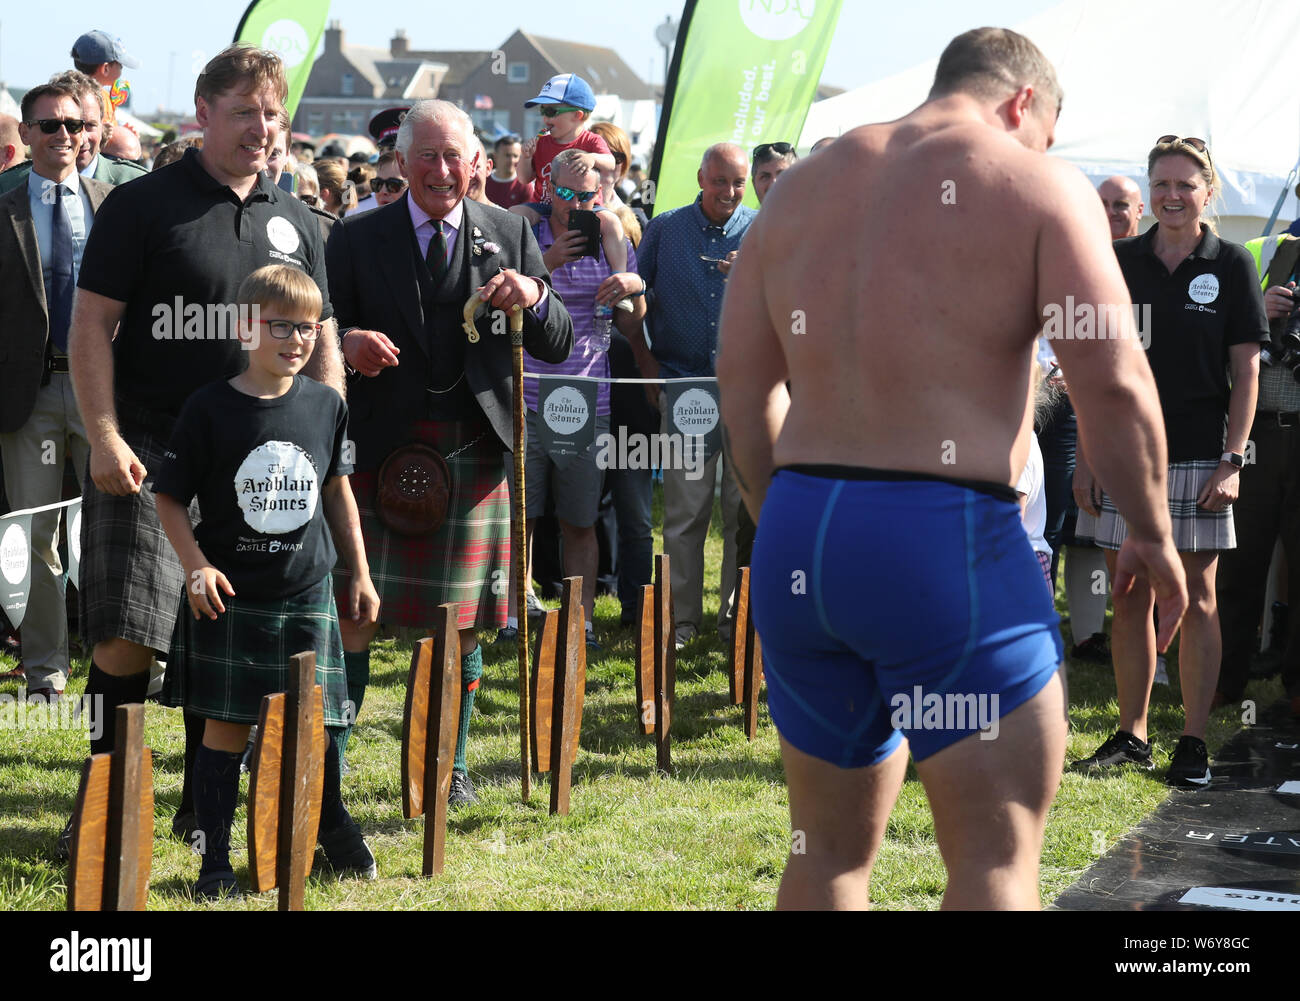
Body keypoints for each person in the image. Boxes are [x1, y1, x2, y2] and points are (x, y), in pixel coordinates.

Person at [718, 26, 1187, 910]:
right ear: (1023, 106)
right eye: (1045, 133)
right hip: (944, 539)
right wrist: (1155, 535)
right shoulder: (1034, 181)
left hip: (802, 528)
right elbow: (1115, 381)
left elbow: (743, 395)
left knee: (824, 855)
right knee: (993, 859)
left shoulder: (801, 186)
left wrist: (783, 519)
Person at [64, 43, 343, 860]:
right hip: (150, 446)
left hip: (263, 458)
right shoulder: (142, 207)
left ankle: (198, 812)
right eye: (246, 111)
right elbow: (90, 325)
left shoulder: (294, 216)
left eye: (273, 114)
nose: (262, 128)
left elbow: (319, 333)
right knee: (125, 633)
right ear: (203, 111)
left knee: (214, 629)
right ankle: (107, 801)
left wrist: (328, 433)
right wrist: (105, 433)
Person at [326, 98, 572, 806]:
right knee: (356, 613)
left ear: (478, 165)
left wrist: (535, 293)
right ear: (400, 163)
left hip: (473, 452)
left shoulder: (509, 231)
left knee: (463, 629)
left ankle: (450, 767)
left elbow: (553, 339)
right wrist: (344, 345)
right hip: (375, 450)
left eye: (453, 156)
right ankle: (333, 772)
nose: (441, 170)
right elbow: (323, 320)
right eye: (426, 156)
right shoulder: (356, 237)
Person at [154, 265, 378, 898]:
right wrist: (196, 565)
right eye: (283, 326)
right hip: (234, 597)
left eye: (308, 328)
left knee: (320, 725)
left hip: (307, 592)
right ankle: (214, 859)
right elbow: (169, 498)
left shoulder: (325, 404)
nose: (298, 340)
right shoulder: (209, 407)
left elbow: (338, 492)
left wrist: (357, 571)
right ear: (245, 327)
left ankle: (329, 828)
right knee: (223, 731)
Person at [1074, 136, 1267, 786]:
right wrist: (1089, 453)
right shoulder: (1117, 260)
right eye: (1162, 183)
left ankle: (1191, 741)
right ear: (1148, 187)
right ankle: (1131, 734)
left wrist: (1233, 459)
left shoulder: (1234, 264)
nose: (1172, 196)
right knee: (1125, 597)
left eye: (1186, 184)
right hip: (1122, 456)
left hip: (1200, 459)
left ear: (1209, 191)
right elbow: (1094, 366)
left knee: (1197, 600)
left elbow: (1246, 374)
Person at [499, 149, 644, 647]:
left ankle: (579, 621)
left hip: (587, 399)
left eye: (588, 196)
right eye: (566, 193)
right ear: (547, 187)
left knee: (579, 521)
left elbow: (629, 321)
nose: (576, 204)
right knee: (523, 515)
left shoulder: (609, 233)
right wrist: (547, 262)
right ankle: (516, 614)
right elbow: (502, 297)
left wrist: (632, 284)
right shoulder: (525, 227)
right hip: (527, 394)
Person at [0, 82, 112, 703]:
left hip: (107, 397)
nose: (63, 136)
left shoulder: (116, 205)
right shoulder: (4, 210)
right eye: (49, 126)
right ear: (26, 134)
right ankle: (44, 670)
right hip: (31, 394)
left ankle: (125, 663)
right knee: (35, 535)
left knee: (114, 530)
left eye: (73, 125)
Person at [635, 142, 757, 648]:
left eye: (737, 182)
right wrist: (648, 371)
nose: (728, 191)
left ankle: (735, 619)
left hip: (749, 390)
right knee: (685, 512)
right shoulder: (664, 229)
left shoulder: (761, 231)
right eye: (720, 180)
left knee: (740, 511)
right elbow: (634, 293)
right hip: (684, 386)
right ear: (701, 179)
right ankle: (682, 620)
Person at [1215, 230, 1300, 719]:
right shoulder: (1259, 251)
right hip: (1256, 433)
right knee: (1239, 563)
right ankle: (1226, 678)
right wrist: (1257, 312)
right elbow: (1210, 332)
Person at [0, 71, 147, 193]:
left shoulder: (137, 185)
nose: (80, 137)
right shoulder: (8, 186)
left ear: (103, 128)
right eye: (54, 124)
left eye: (89, 125)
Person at [517, 73, 615, 202]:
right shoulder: (541, 143)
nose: (545, 118)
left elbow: (611, 162)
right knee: (518, 211)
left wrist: (592, 158)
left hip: (584, 207)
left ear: (577, 115)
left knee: (611, 221)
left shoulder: (591, 141)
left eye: (551, 112)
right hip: (544, 207)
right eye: (542, 111)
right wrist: (526, 157)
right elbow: (524, 179)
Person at [70, 29, 137, 134]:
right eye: (120, 66)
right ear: (105, 69)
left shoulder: (70, 93)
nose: (121, 69)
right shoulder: (98, 98)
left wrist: (123, 133)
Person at [486, 134, 531, 209]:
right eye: (507, 155)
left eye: (515, 156)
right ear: (495, 156)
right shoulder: (484, 181)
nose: (511, 160)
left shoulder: (525, 186)